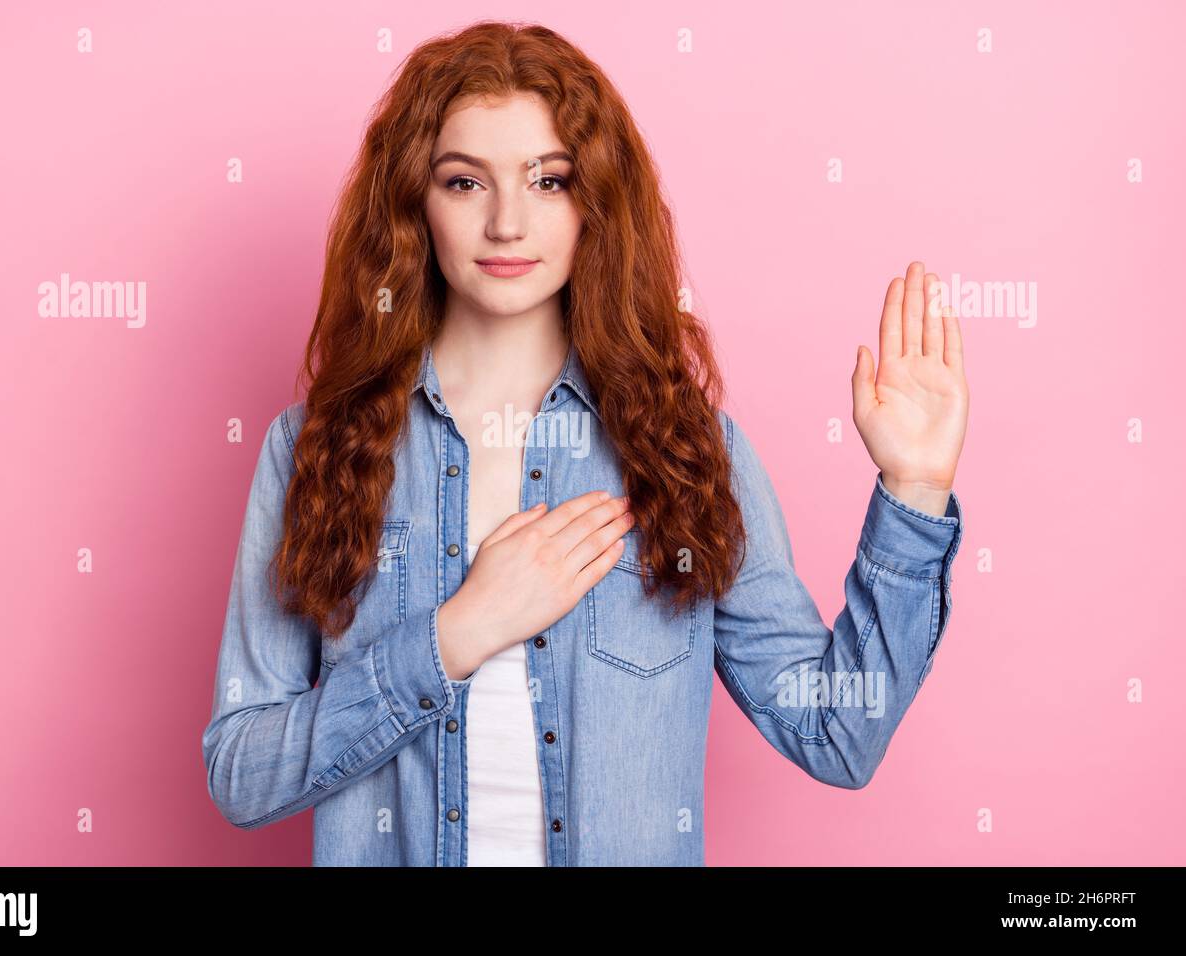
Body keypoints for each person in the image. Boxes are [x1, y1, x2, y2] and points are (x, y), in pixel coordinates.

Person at [201, 20, 968, 867]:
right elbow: (242, 771)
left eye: (549, 181)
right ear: (414, 204)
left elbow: (836, 734)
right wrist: (454, 634)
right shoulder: (313, 446)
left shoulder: (686, 449)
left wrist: (916, 489)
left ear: (594, 200)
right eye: (464, 182)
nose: (506, 222)